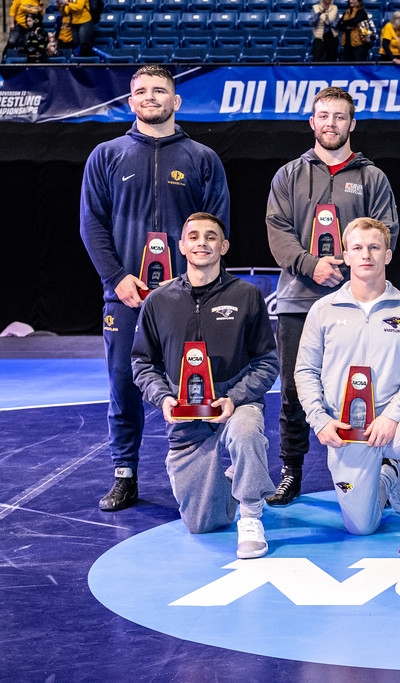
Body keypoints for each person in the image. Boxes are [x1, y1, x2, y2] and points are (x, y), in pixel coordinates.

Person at [81, 66, 230, 513]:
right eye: (141, 91)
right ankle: (124, 474)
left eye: (160, 90)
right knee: (124, 387)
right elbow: (92, 226)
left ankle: (202, 473)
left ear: (176, 101)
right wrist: (116, 279)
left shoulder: (203, 158)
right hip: (125, 297)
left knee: (196, 385)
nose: (150, 97)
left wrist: (195, 283)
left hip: (189, 297)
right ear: (131, 102)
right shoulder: (106, 156)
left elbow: (216, 229)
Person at [265, 86, 399, 506]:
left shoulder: (372, 177)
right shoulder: (288, 175)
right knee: (293, 391)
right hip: (298, 300)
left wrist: (347, 268)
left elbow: (385, 232)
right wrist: (311, 264)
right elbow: (278, 232)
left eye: (340, 117)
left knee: (365, 384)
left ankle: (378, 464)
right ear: (312, 121)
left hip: (359, 302)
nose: (331, 123)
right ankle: (292, 470)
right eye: (324, 115)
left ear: (352, 124)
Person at [131, 213, 278, 560]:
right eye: (193, 236)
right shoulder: (159, 300)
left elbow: (267, 362)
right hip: (184, 413)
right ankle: (237, 476)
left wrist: (234, 397)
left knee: (245, 431)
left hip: (235, 401)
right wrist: (163, 398)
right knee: (203, 523)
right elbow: (141, 363)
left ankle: (252, 515)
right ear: (181, 246)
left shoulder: (247, 295)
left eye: (211, 237)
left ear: (223, 246)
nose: (202, 243)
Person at [294, 217, 400, 560]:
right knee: (361, 526)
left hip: (394, 421)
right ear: (346, 255)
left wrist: (391, 416)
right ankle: (389, 475)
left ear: (387, 255)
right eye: (358, 248)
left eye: (374, 247)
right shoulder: (323, 310)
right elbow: (305, 370)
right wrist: (320, 420)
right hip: (346, 430)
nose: (366, 255)